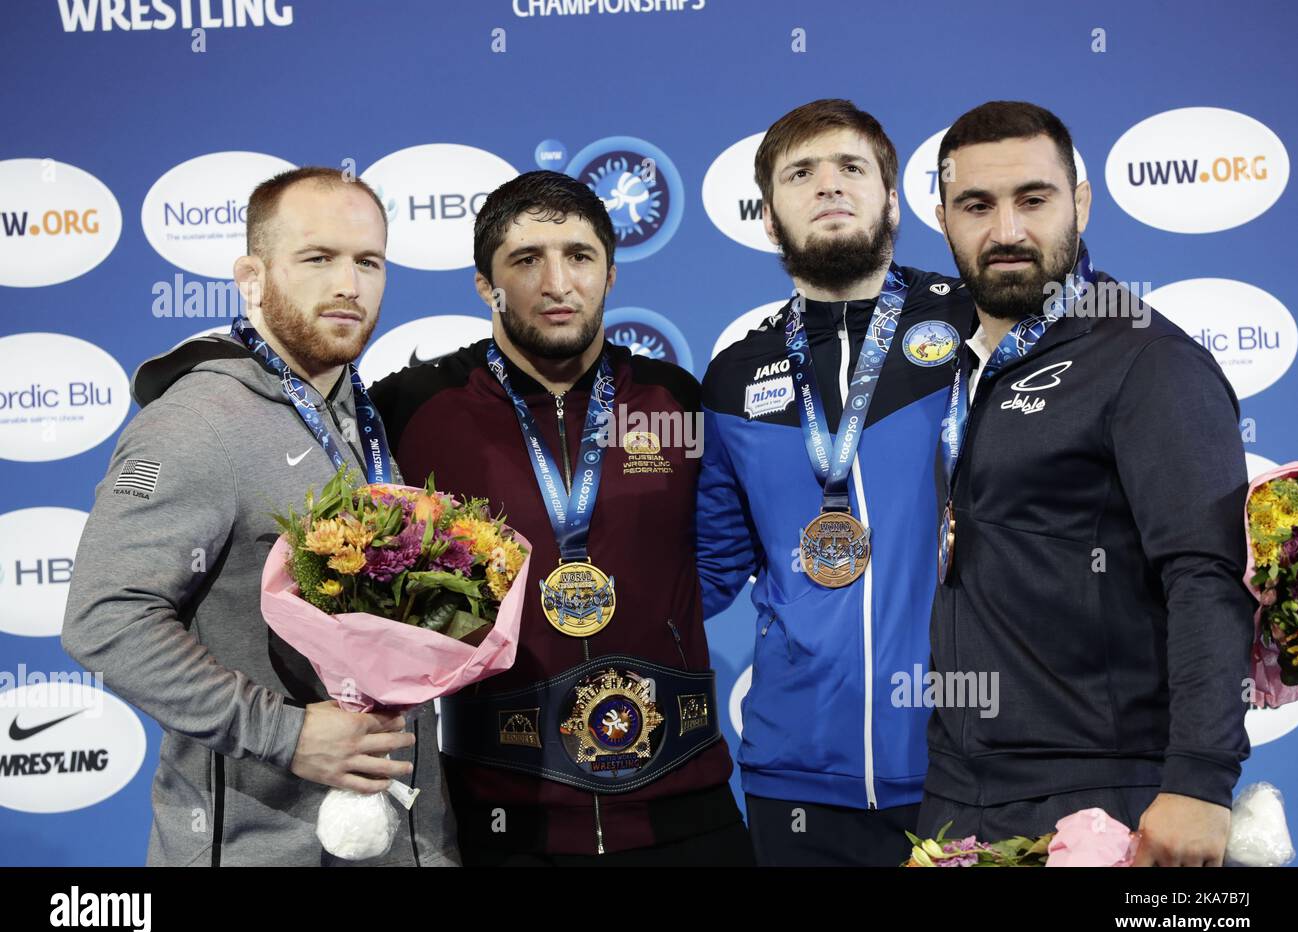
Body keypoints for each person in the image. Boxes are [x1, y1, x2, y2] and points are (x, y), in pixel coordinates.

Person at [62, 167, 459, 866]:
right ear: (252, 276)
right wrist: (286, 733)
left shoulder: (358, 414)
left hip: (406, 843)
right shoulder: (194, 422)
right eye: (317, 258)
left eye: (368, 261)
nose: (349, 284)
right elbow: (105, 618)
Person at [368, 170, 752, 865]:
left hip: (685, 809)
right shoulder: (414, 409)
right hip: (502, 817)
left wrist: (663, 615)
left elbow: (727, 549)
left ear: (610, 275)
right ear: (485, 285)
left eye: (579, 256)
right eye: (526, 260)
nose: (557, 283)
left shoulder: (676, 402)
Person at [918, 101, 1252, 866]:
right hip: (957, 797)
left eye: (1033, 199)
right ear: (942, 218)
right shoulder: (956, 363)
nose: (1006, 231)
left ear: (1082, 201)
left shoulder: (1148, 360)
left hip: (1111, 798)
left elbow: (1208, 572)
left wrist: (1202, 780)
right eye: (977, 205)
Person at [696, 99, 972, 865]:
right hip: (798, 775)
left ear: (891, 197)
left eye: (852, 167)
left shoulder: (976, 328)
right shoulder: (734, 376)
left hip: (972, 759)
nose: (828, 186)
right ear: (768, 215)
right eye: (801, 173)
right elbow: (710, 568)